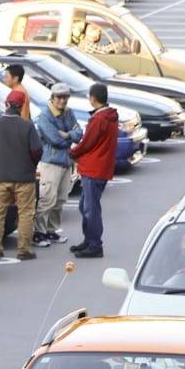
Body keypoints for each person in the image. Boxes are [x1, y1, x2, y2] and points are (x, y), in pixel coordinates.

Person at [0, 89, 41, 261]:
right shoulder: (27, 126)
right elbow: (37, 151)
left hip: (1, 176)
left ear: (6, 104)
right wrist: (30, 164)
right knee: (26, 213)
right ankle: (23, 250)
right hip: (24, 177)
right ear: (21, 107)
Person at [69, 83, 117, 259]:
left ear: (93, 98)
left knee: (90, 208)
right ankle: (89, 240)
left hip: (93, 168)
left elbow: (87, 142)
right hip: (101, 167)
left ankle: (95, 244)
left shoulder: (99, 119)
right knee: (86, 206)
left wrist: (73, 153)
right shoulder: (110, 116)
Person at [32, 83, 81, 247]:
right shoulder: (45, 116)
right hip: (50, 162)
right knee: (47, 198)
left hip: (66, 161)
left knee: (61, 198)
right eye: (59, 97)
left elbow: (79, 134)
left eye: (65, 97)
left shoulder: (69, 112)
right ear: (52, 98)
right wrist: (70, 135)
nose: (62, 100)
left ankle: (51, 230)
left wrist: (68, 134)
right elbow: (55, 139)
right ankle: (39, 232)